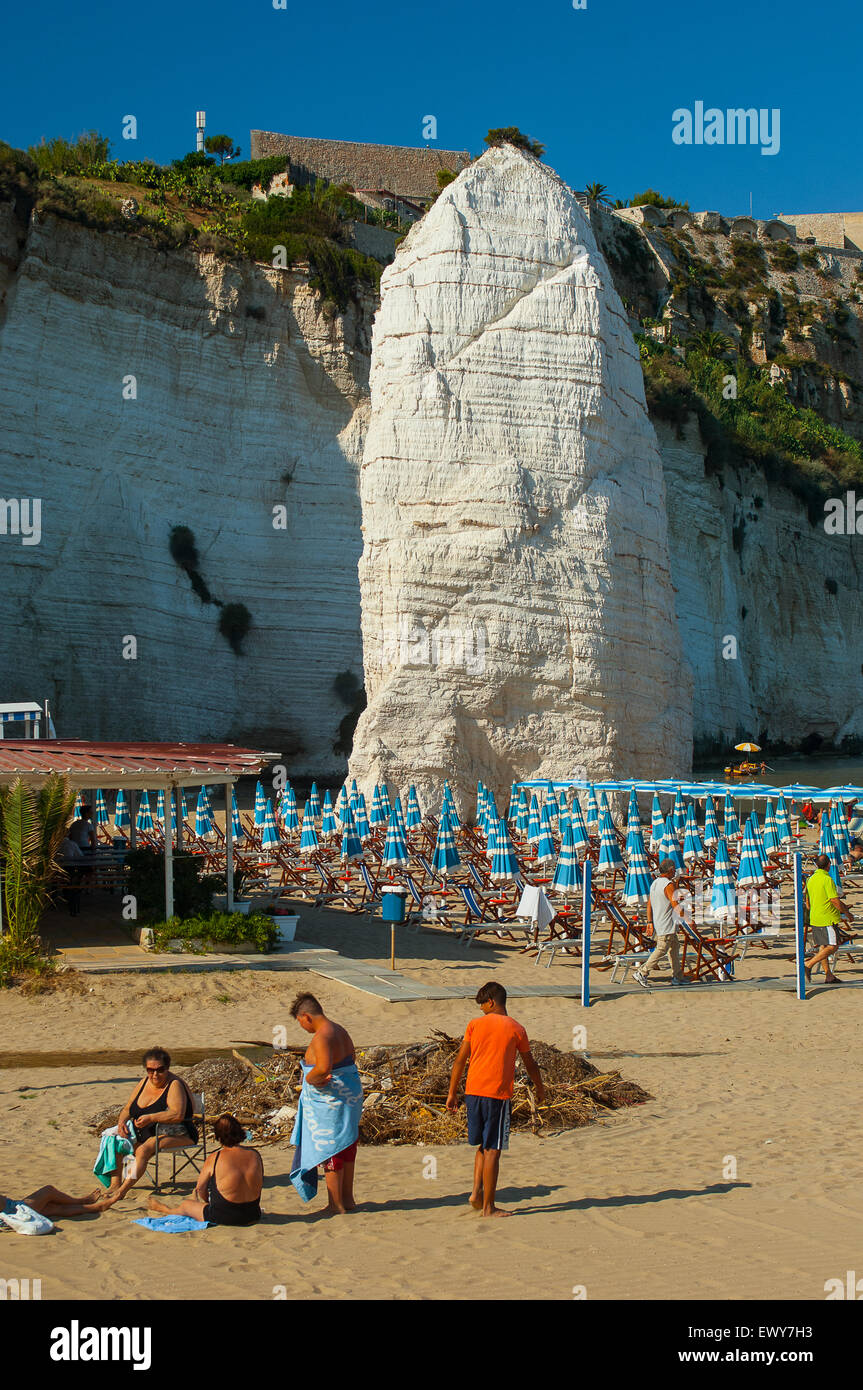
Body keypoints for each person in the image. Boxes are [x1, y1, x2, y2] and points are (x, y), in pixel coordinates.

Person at [446, 981, 545, 1218]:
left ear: (491, 1001)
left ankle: (476, 1193)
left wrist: (452, 1092)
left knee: (482, 1146)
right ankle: (489, 1207)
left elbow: (460, 1060)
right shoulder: (516, 1028)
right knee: (493, 1150)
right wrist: (540, 1087)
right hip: (497, 1095)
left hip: (473, 1092)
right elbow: (530, 1063)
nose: (481, 1009)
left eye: (482, 1005)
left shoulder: (474, 1025)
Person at [289, 994, 362, 1215]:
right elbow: (351, 1058)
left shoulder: (322, 1037)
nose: (301, 1026)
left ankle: (335, 1204)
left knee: (330, 1147)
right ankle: (347, 1199)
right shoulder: (340, 1030)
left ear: (306, 1017)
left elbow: (323, 1068)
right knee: (347, 1145)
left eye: (300, 1022)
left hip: (332, 1101)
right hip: (349, 1095)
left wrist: (309, 1080)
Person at [102, 1048, 199, 1201]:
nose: (155, 1074)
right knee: (116, 1141)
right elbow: (128, 1108)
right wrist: (121, 1123)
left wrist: (151, 1117)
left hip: (179, 1133)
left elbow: (177, 1114)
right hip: (145, 1132)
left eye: (160, 1070)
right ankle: (115, 1184)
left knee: (143, 1149)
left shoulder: (174, 1085)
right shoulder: (143, 1083)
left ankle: (122, 1191)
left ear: (167, 1068)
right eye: (150, 1070)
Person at [146, 1114, 263, 1226]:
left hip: (225, 1216)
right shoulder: (255, 1155)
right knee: (198, 1202)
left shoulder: (215, 1158)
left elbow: (200, 1188)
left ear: (218, 1136)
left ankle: (162, 1208)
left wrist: (207, 1201)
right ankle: (195, 1203)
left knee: (187, 1205)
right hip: (253, 1215)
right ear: (239, 1131)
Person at [634, 858, 689, 989]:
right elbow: (675, 903)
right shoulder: (668, 884)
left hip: (660, 922)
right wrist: (686, 919)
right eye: (674, 869)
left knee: (674, 948)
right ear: (670, 870)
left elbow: (649, 905)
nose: (675, 871)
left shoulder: (655, 883)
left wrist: (649, 922)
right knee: (662, 949)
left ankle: (677, 976)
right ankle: (642, 972)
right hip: (666, 924)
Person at [804, 853, 855, 985]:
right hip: (827, 918)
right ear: (828, 866)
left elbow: (807, 901)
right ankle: (809, 964)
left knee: (824, 946)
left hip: (815, 917)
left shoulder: (811, 879)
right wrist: (847, 914)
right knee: (833, 946)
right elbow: (834, 900)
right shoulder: (827, 879)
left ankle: (829, 976)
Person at [1, 1185, 114, 1220]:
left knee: (53, 1208)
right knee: (48, 1191)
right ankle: (83, 1201)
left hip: (9, 1212)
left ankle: (95, 1207)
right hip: (13, 1211)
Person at [57, 834, 85, 916]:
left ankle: (63, 893)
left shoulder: (56, 845)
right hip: (70, 870)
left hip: (57, 871)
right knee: (74, 879)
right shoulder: (72, 844)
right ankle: (72, 895)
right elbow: (80, 856)